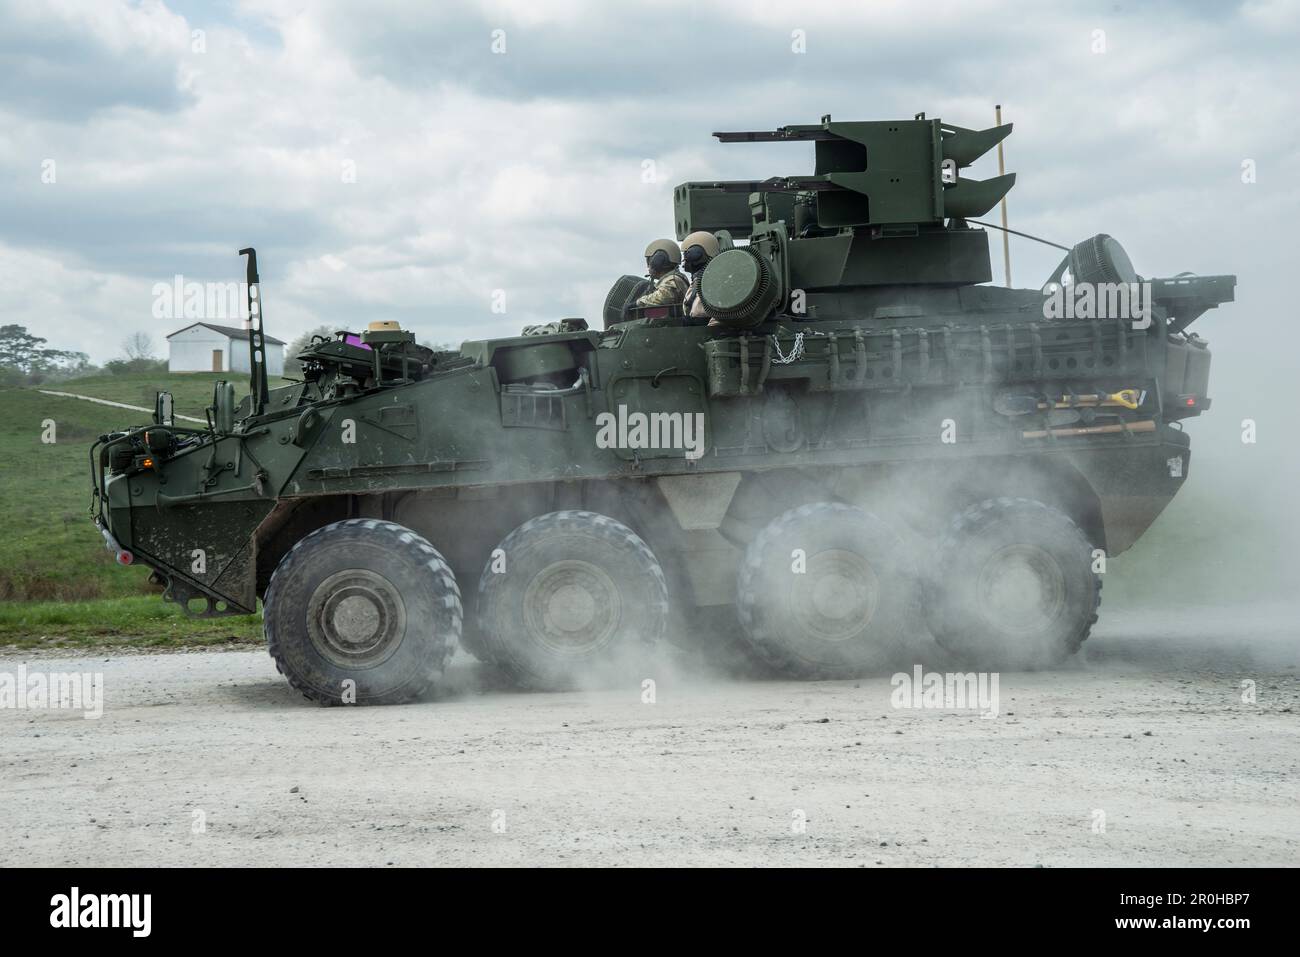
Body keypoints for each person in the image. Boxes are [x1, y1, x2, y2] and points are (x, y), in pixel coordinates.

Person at [634, 239, 688, 307]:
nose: (648, 267)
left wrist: (637, 303)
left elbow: (662, 298)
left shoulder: (673, 279)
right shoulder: (672, 278)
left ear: (657, 261)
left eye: (649, 262)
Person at [680, 230, 720, 322]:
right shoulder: (700, 280)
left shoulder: (709, 282)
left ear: (695, 254)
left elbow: (700, 314)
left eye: (686, 254)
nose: (684, 261)